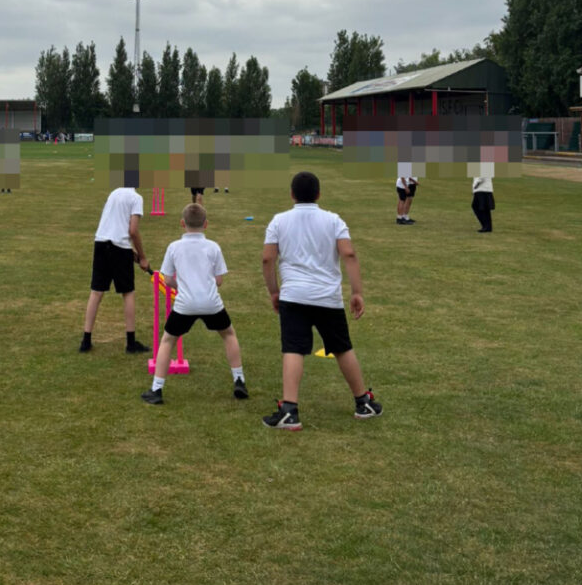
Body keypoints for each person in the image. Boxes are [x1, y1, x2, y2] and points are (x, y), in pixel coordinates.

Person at [260, 171, 380, 430]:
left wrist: (274, 291)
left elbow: (267, 259)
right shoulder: (333, 220)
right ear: (318, 194)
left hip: (293, 295)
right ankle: (363, 402)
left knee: (293, 349)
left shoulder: (279, 221)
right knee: (342, 347)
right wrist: (356, 292)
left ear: (292, 194)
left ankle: (289, 411)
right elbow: (349, 254)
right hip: (327, 296)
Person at [140, 203, 247, 405]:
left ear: (182, 223)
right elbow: (219, 281)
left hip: (185, 303)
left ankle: (156, 389)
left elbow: (167, 279)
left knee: (167, 341)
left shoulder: (174, 247)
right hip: (211, 302)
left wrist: (182, 285)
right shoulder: (213, 247)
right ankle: (239, 380)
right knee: (228, 334)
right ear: (206, 224)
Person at [80, 187, 151, 353]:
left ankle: (86, 341)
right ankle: (131, 343)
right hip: (119, 247)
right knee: (128, 292)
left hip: (101, 243)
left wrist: (130, 252)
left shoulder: (114, 193)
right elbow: (133, 231)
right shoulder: (136, 198)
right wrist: (142, 257)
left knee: (96, 292)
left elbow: (112, 226)